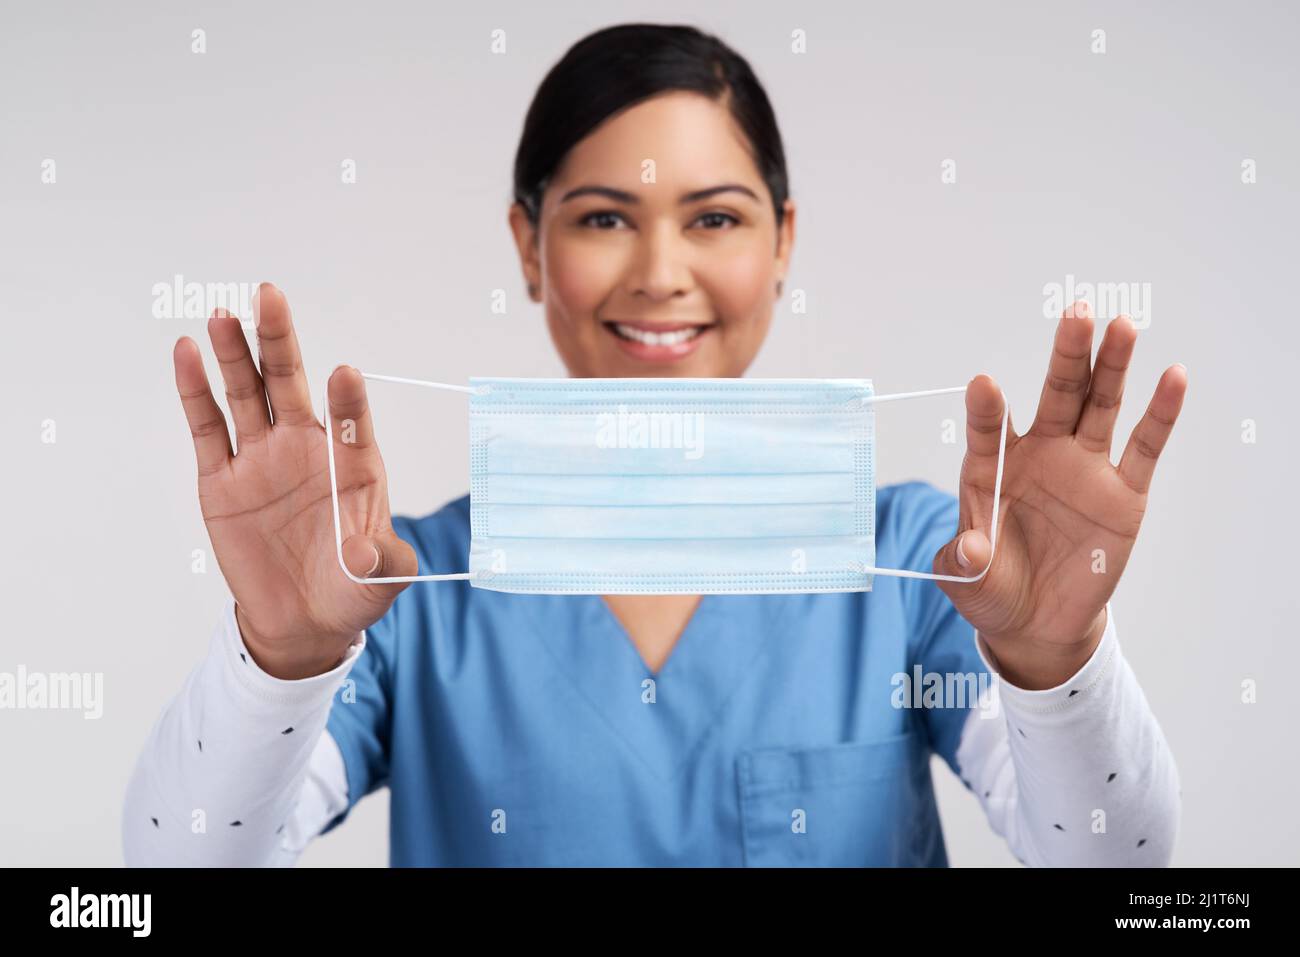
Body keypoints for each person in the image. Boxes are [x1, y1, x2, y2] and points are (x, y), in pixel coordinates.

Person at [123, 23, 1186, 867]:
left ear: (785, 243)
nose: (659, 273)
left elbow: (1115, 871)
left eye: (715, 218)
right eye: (601, 219)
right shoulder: (396, 595)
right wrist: (278, 659)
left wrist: (1055, 666)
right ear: (527, 247)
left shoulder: (926, 566)